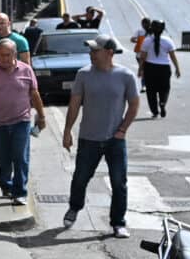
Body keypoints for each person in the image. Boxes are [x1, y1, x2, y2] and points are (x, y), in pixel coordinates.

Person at [60, 37, 142, 237]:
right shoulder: (84, 75)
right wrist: (67, 130)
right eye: (91, 50)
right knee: (80, 177)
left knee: (118, 182)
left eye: (96, 50)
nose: (92, 54)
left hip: (115, 140)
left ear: (109, 53)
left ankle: (118, 222)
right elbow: (74, 104)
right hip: (89, 138)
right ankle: (75, 207)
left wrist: (122, 130)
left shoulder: (125, 76)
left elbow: (134, 104)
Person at [0, 35, 47, 206]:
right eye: (1, 55)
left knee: (20, 157)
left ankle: (20, 192)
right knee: (0, 157)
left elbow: (35, 95)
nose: (3, 59)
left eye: (7, 55)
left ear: (15, 54)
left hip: (21, 121)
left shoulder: (26, 70)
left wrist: (41, 117)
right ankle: (6, 184)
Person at [138, 20, 182, 118]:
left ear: (151, 29)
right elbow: (173, 56)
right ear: (163, 30)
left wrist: (140, 69)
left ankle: (155, 111)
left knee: (151, 91)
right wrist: (177, 69)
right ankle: (162, 103)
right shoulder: (168, 41)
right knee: (165, 88)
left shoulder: (147, 41)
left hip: (150, 68)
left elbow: (142, 57)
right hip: (164, 68)